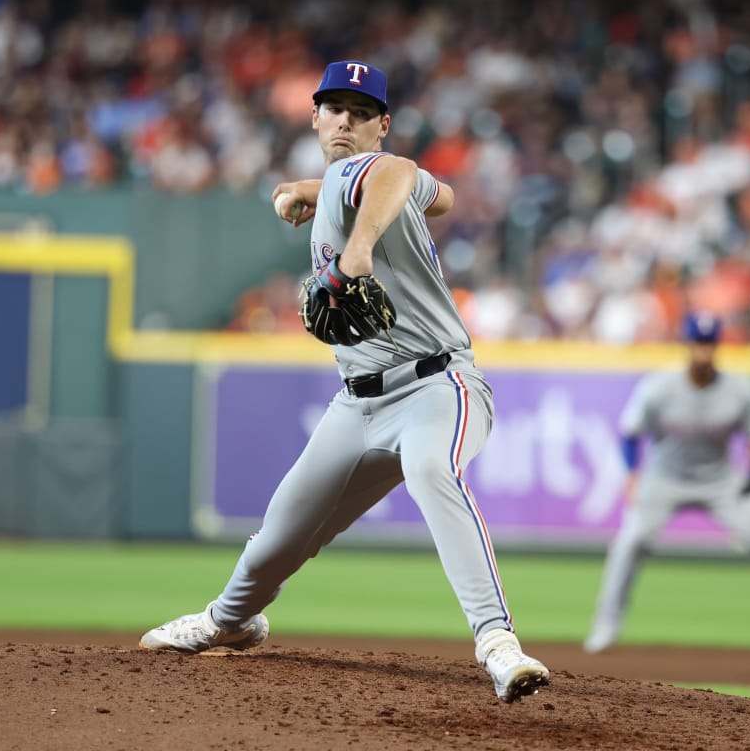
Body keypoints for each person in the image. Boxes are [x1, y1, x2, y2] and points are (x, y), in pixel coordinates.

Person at [140, 61, 551, 702]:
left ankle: (498, 644)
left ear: (382, 126)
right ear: (314, 116)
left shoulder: (376, 170)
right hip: (356, 405)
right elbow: (441, 195)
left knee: (432, 471)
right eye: (335, 109)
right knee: (277, 539)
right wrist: (309, 188)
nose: (346, 122)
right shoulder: (344, 182)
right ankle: (229, 621)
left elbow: (400, 172)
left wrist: (356, 248)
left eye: (362, 114)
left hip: (437, 387)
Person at [584, 312, 750, 659]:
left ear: (717, 346)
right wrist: (632, 477)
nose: (703, 351)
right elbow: (630, 433)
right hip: (664, 479)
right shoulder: (659, 387)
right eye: (697, 343)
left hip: (722, 482)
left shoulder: (739, 389)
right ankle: (605, 628)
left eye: (709, 344)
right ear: (686, 344)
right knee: (629, 542)